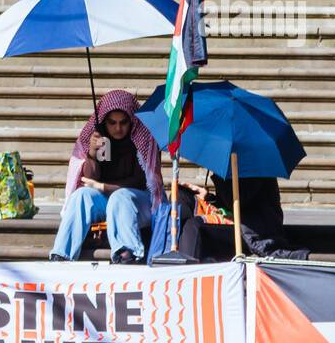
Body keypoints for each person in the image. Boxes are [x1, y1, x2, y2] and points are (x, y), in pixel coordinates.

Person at [50, 89, 164, 264]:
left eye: (123, 123)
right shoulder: (104, 140)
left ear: (132, 121)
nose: (118, 128)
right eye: (112, 123)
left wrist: (102, 187)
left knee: (120, 196)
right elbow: (91, 178)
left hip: (139, 202)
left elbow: (139, 181)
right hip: (108, 200)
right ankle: (62, 255)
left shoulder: (142, 138)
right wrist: (92, 153)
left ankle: (127, 253)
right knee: (81, 195)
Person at [176, 174, 308, 262]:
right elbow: (230, 203)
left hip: (254, 230)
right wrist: (208, 197)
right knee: (181, 194)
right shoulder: (234, 161)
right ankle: (177, 258)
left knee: (194, 226)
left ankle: (187, 277)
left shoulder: (255, 165)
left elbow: (235, 200)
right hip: (237, 219)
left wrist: (218, 176)